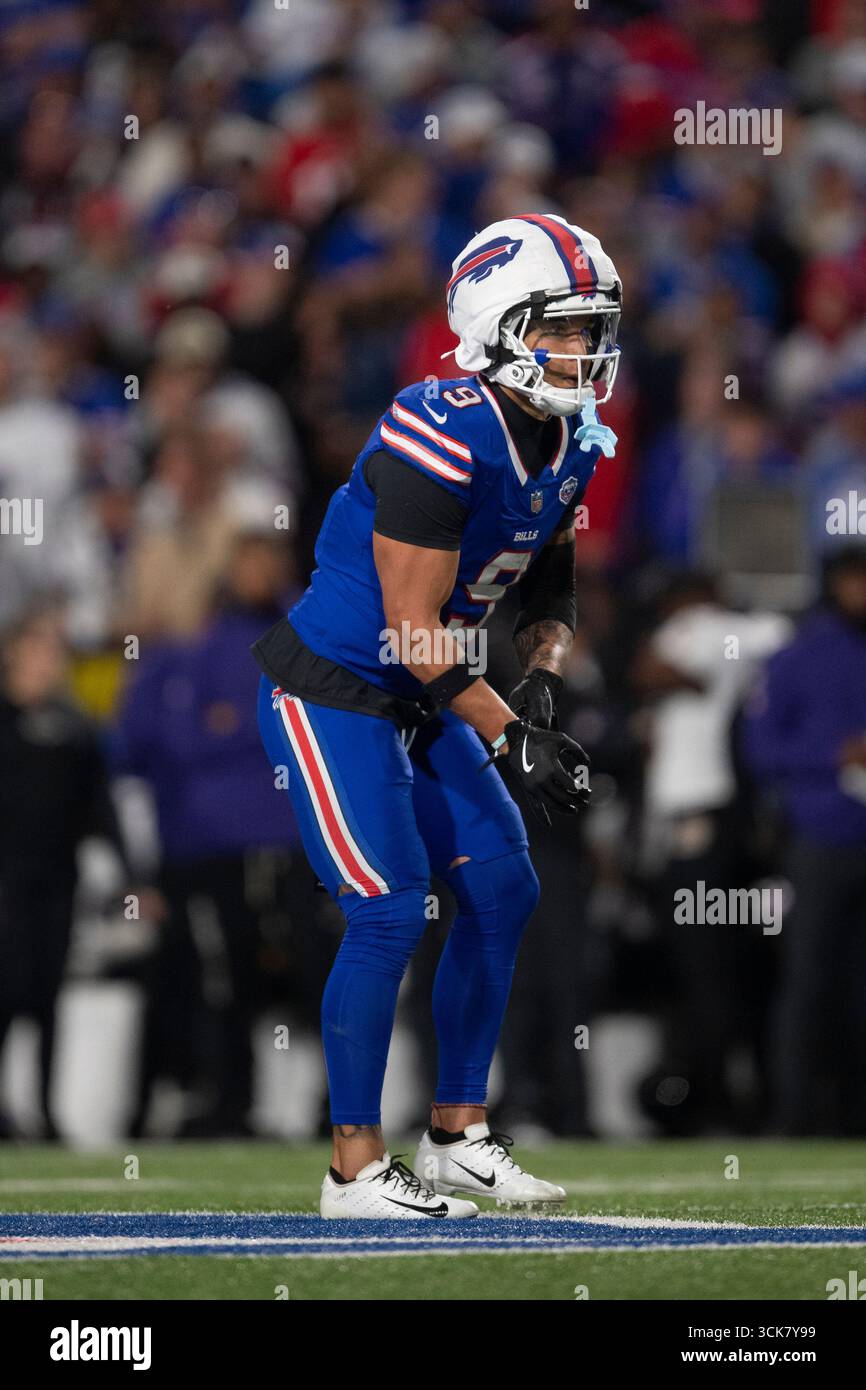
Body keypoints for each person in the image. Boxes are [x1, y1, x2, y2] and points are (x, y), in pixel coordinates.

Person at [253, 214, 620, 1218]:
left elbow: (549, 583)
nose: (582, 352)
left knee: (502, 889)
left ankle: (456, 1133)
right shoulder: (441, 422)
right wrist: (507, 730)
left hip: (421, 692)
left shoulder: (565, 437)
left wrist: (539, 676)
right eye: (561, 329)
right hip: (336, 689)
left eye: (592, 330)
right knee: (387, 907)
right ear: (495, 322)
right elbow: (413, 633)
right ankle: (353, 1170)